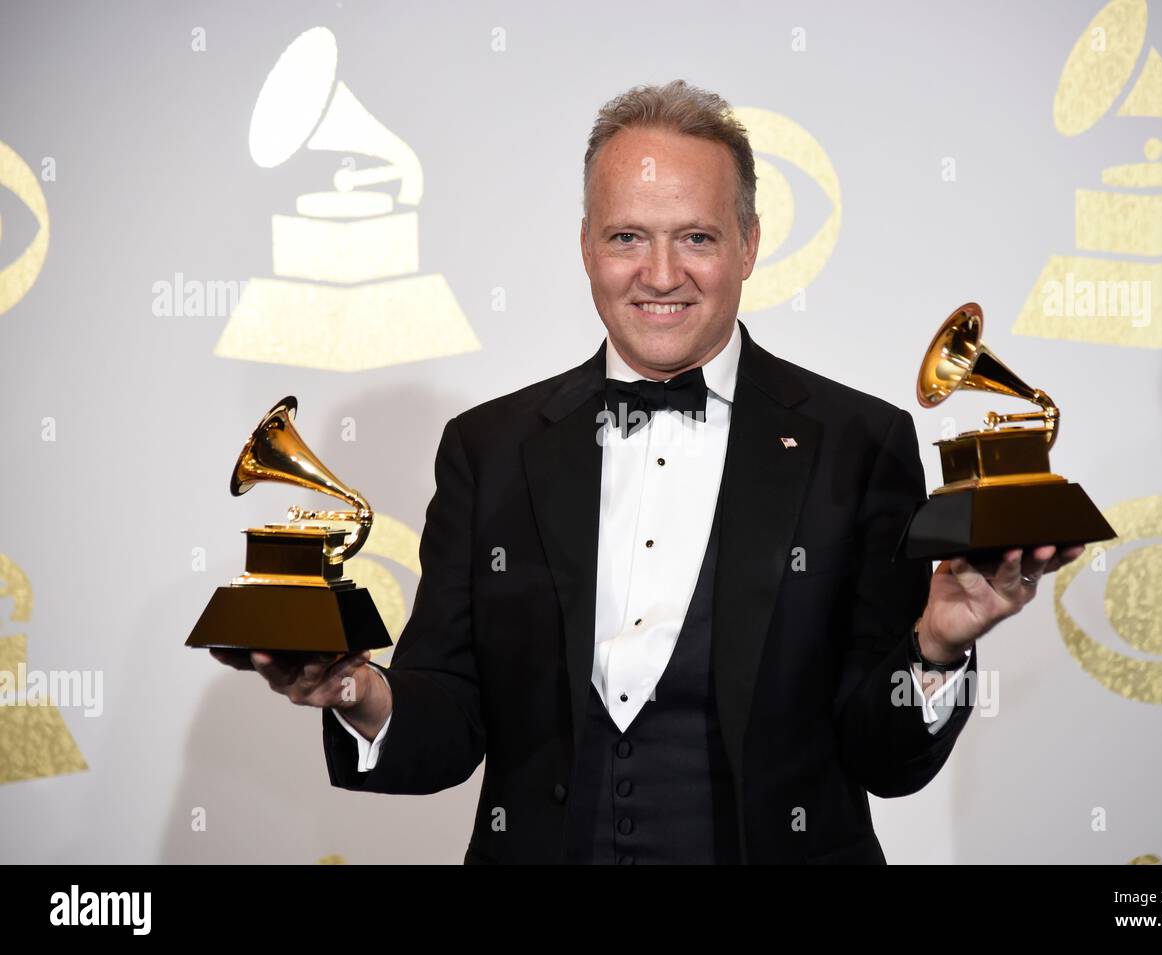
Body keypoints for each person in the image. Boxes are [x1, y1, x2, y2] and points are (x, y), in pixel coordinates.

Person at [212, 79, 1084, 864]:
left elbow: (881, 758)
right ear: (586, 244)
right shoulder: (489, 447)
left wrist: (935, 646)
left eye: (696, 237)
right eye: (628, 235)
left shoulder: (860, 443)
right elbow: (450, 718)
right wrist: (357, 690)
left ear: (747, 243)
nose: (660, 274)